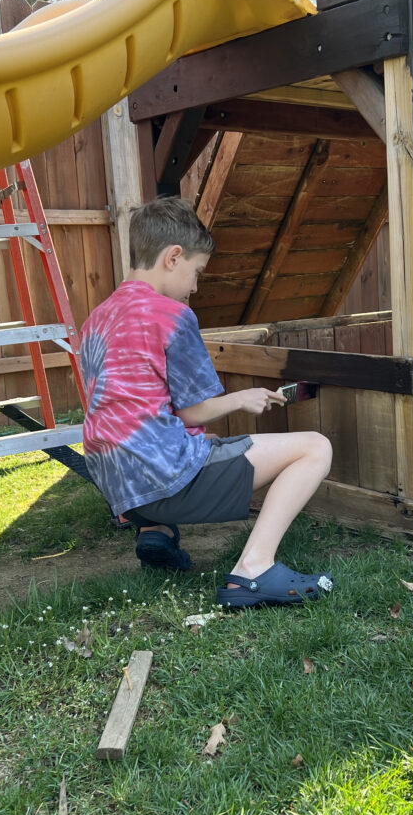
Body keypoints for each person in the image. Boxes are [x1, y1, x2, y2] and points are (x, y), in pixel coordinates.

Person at [79, 196, 334, 609]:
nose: (195, 287)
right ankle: (254, 568)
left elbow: (125, 408)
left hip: (114, 482)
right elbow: (191, 410)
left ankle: (155, 534)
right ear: (173, 257)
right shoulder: (171, 315)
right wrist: (242, 398)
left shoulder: (97, 318)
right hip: (162, 480)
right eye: (197, 272)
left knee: (200, 441)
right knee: (316, 447)